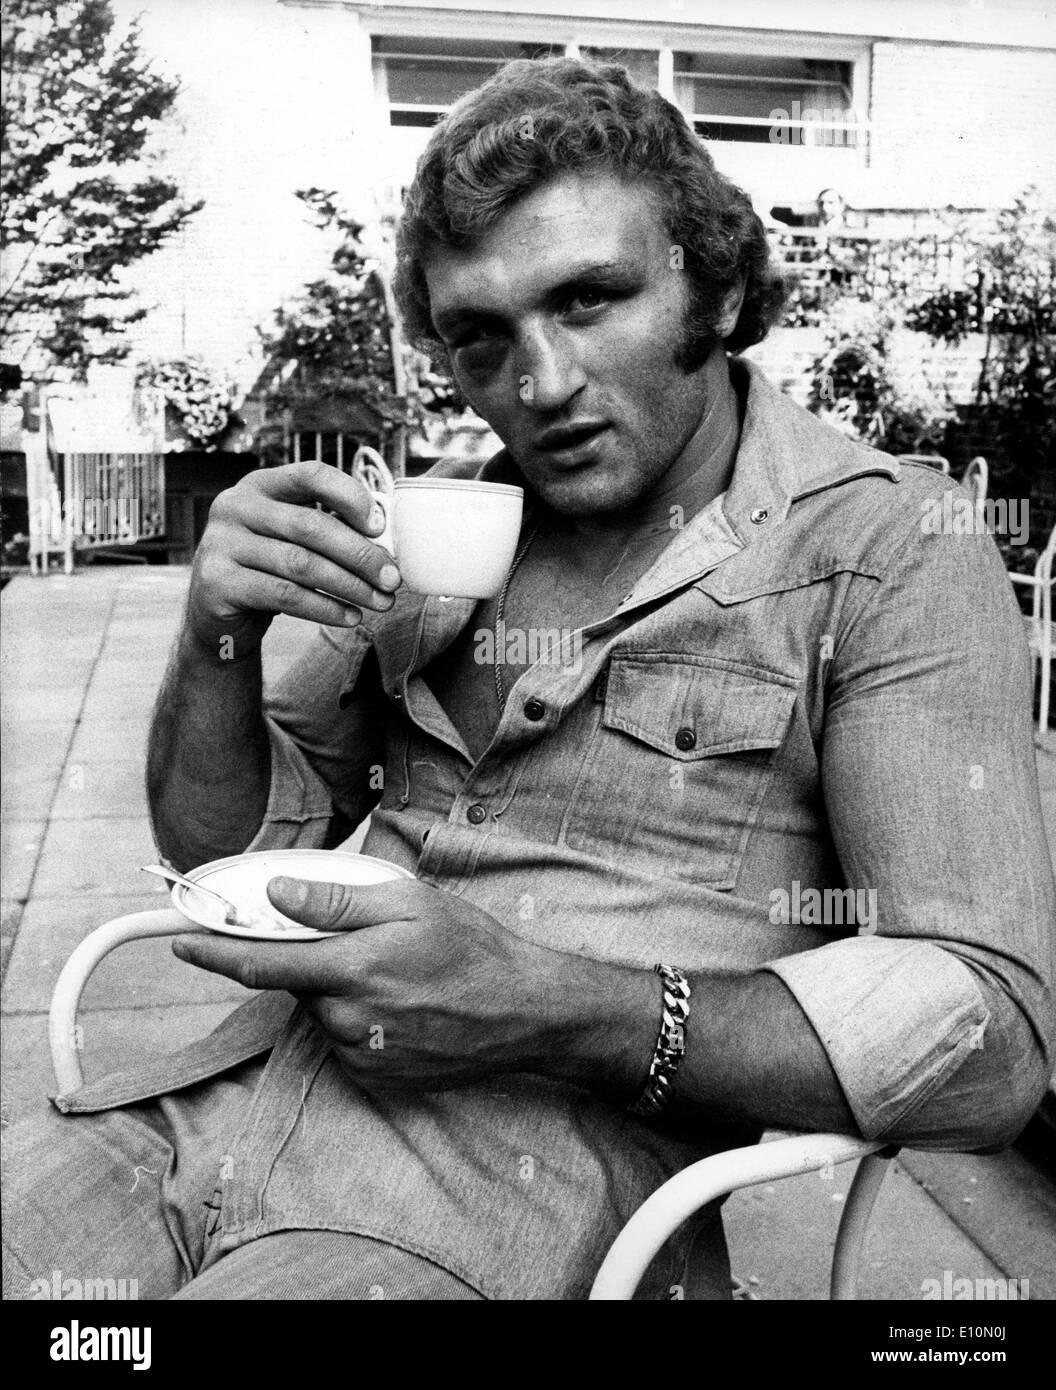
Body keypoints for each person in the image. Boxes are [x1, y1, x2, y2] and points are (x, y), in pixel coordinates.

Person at [4, 58, 1053, 1302]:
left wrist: (549, 1003)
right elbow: (235, 852)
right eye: (480, 337)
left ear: (713, 288)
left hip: (500, 1209)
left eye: (591, 299)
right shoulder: (453, 525)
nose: (538, 385)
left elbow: (991, 1034)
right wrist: (216, 633)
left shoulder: (879, 550)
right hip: (186, 1118)